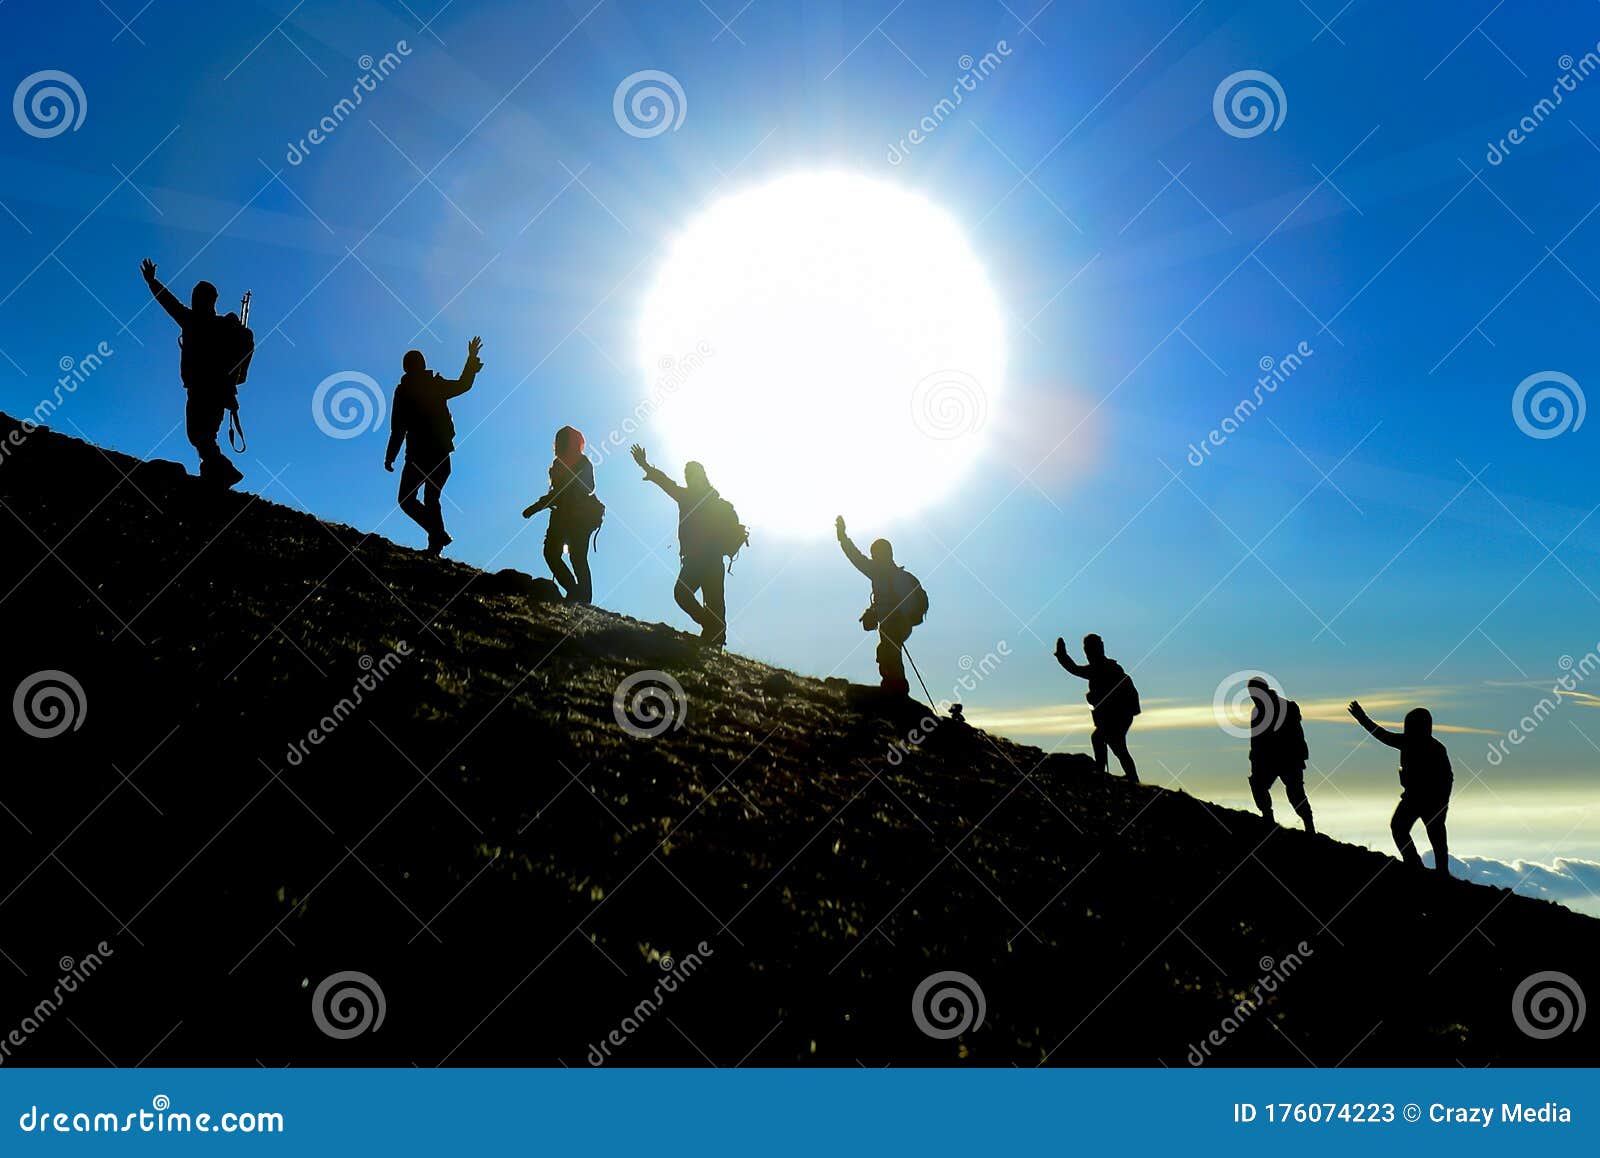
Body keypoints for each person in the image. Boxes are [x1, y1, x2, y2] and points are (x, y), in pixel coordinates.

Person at [139, 257, 250, 488]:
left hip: (205, 390)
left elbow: (168, 303)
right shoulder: (217, 325)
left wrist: (152, 282)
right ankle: (215, 471)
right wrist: (152, 283)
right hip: (214, 392)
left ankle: (222, 471)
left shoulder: (194, 321)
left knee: (200, 434)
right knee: (203, 435)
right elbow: (169, 302)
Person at [630, 444, 743, 647]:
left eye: (690, 474)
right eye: (687, 474)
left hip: (701, 559)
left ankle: (714, 636)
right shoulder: (706, 499)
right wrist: (646, 466)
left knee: (691, 595)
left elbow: (666, 483)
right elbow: (666, 482)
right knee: (711, 600)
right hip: (710, 560)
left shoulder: (691, 497)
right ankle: (714, 633)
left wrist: (646, 466)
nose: (688, 477)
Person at [385, 337, 483, 556]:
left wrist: (471, 360)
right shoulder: (417, 389)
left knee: (417, 499)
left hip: (427, 454)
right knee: (422, 499)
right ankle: (437, 537)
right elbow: (398, 427)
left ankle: (436, 541)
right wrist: (471, 360)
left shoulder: (415, 389)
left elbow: (397, 428)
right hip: (432, 454)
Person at [1348, 700, 1453, 876]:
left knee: (1435, 836)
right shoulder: (1408, 741)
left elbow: (1447, 778)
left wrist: (1441, 802)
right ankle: (1415, 865)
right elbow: (1381, 734)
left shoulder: (1435, 748)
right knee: (1400, 828)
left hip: (1431, 800)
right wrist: (1362, 718)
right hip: (1414, 797)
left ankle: (1440, 872)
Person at [835, 516, 927, 695]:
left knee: (888, 650)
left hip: (896, 621)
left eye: (875, 554)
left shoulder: (881, 574)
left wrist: (842, 537)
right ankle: (894, 686)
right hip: (899, 621)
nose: (872, 558)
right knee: (887, 650)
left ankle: (896, 688)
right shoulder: (892, 574)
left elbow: (855, 557)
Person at [522, 426, 603, 603]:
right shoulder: (559, 464)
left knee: (577, 557)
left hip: (580, 518)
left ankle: (583, 600)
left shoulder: (583, 463)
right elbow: (556, 494)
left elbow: (589, 487)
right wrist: (536, 507)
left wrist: (536, 507)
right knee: (552, 554)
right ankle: (574, 592)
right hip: (562, 517)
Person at [1054, 633, 1140, 782]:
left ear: (1097, 649)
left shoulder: (1104, 668)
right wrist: (1062, 655)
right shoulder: (1101, 668)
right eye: (1086, 649)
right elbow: (1076, 669)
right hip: (1117, 715)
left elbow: (1075, 669)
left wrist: (1062, 656)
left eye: (1089, 649)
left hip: (1119, 715)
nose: (1087, 653)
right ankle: (1126, 776)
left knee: (1105, 740)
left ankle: (1110, 773)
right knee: (1110, 743)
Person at [1246, 677, 1314, 834]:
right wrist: (1255, 759)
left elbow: (1296, 734)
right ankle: (1268, 818)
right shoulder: (1257, 711)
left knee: (1295, 793)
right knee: (1258, 785)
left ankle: (1309, 826)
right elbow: (1255, 739)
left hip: (1288, 757)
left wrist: (1299, 756)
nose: (1253, 697)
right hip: (1267, 758)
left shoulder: (1286, 707)